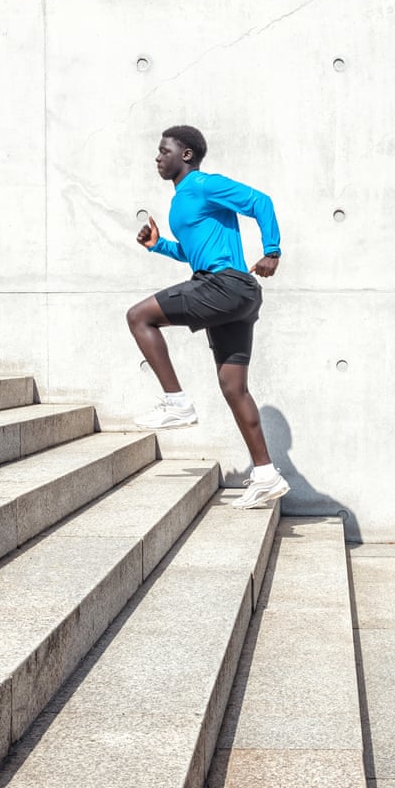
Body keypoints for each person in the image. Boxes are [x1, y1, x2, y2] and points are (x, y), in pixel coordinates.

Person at [126, 125, 289, 511]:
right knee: (234, 388)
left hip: (226, 285)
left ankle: (176, 402)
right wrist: (158, 245)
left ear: (185, 155)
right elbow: (192, 252)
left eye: (164, 150)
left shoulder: (202, 184)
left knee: (138, 317)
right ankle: (266, 474)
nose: (157, 157)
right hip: (233, 293)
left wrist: (272, 251)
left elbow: (260, 201)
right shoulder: (181, 202)